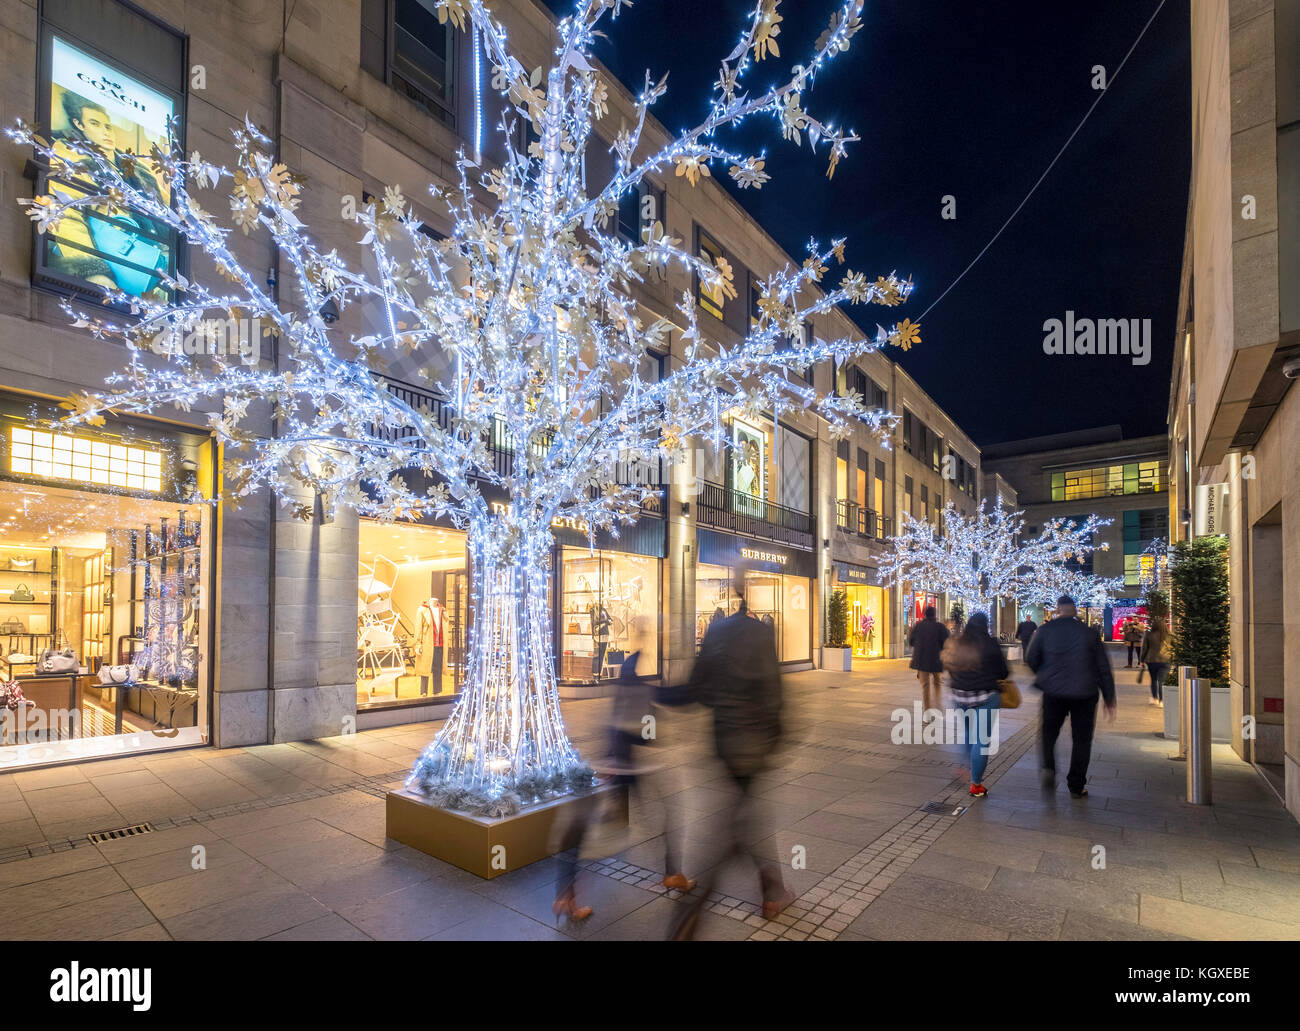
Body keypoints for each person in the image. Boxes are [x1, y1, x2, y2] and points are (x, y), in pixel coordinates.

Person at [670, 573, 793, 939]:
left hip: (723, 741)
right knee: (737, 827)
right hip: (753, 742)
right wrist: (777, 735)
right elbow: (774, 692)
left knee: (745, 816)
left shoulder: (716, 632)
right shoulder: (761, 634)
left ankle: (772, 890)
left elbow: (699, 689)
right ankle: (692, 914)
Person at [552, 652, 695, 924]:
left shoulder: (625, 689)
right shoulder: (642, 690)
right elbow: (662, 717)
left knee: (587, 827)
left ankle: (565, 893)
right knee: (598, 829)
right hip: (630, 769)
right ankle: (567, 893)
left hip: (618, 766)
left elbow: (620, 729)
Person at [1026, 595, 1116, 798]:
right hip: (1085, 693)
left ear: (1058, 609)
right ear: (1074, 609)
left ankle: (1049, 768)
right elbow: (1103, 667)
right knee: (1082, 740)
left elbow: (1031, 658)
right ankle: (1076, 784)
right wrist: (1109, 698)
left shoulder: (1045, 630)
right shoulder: (1089, 633)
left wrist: (1045, 674)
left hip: (1053, 692)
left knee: (1048, 734)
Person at [941, 612, 1007, 798]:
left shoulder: (956, 642)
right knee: (982, 740)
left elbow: (948, 667)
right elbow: (1003, 672)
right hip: (985, 696)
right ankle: (976, 784)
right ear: (985, 625)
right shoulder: (991, 643)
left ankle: (966, 766)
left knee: (968, 732)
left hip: (959, 696)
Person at [908, 605, 949, 714]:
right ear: (935, 615)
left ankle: (927, 711)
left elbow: (911, 641)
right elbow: (946, 643)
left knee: (925, 686)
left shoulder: (918, 626)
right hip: (936, 660)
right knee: (938, 683)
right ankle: (938, 706)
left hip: (922, 661)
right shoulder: (940, 627)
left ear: (925, 614)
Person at [1140, 617, 1171, 707]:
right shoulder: (1169, 635)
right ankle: (1162, 701)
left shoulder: (1149, 635)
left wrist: (1141, 660)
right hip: (1165, 660)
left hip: (1151, 660)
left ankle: (1155, 698)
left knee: (1153, 680)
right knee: (1162, 681)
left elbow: (1145, 648)